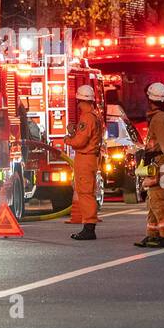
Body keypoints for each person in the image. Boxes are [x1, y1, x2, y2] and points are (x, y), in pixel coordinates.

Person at [135, 82, 164, 248]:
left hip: (162, 164)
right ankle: (153, 235)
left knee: (159, 201)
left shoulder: (159, 118)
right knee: (154, 200)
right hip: (159, 163)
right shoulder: (160, 116)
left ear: (150, 99)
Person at [66, 84, 104, 240]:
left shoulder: (87, 117)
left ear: (81, 101)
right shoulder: (95, 116)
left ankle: (89, 227)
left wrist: (68, 140)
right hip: (91, 158)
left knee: (85, 193)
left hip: (85, 157)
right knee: (88, 192)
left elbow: (80, 141)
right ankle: (89, 226)